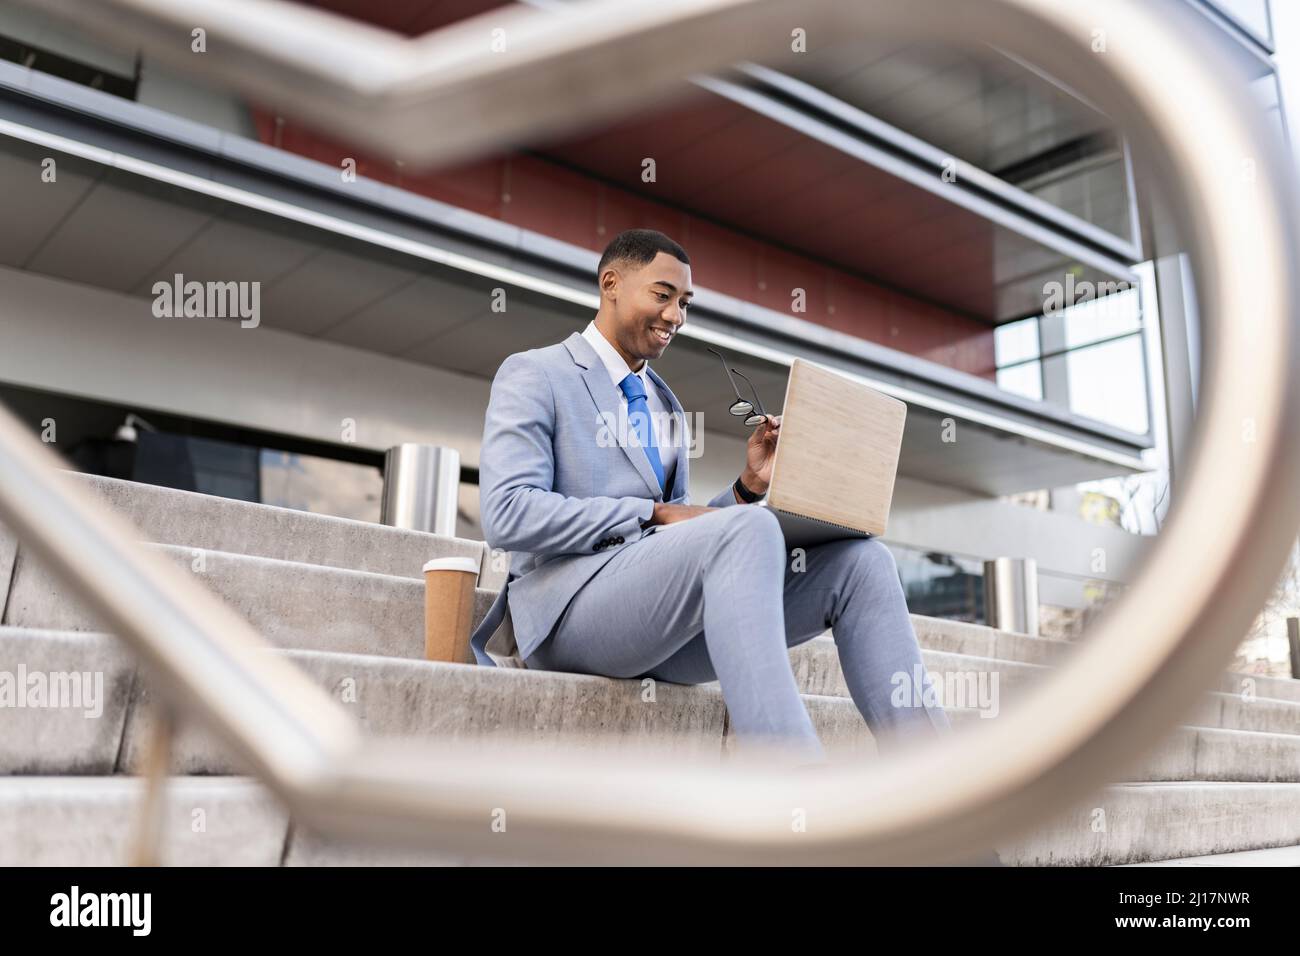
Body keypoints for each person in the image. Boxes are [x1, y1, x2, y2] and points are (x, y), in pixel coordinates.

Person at [469, 228, 951, 766]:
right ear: (610, 284)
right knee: (748, 532)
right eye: (662, 294)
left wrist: (748, 489)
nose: (676, 315)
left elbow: (685, 536)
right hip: (567, 618)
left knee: (861, 562)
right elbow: (507, 512)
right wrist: (647, 510)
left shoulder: (665, 404)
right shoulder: (537, 373)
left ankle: (949, 802)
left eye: (685, 303)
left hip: (657, 626)